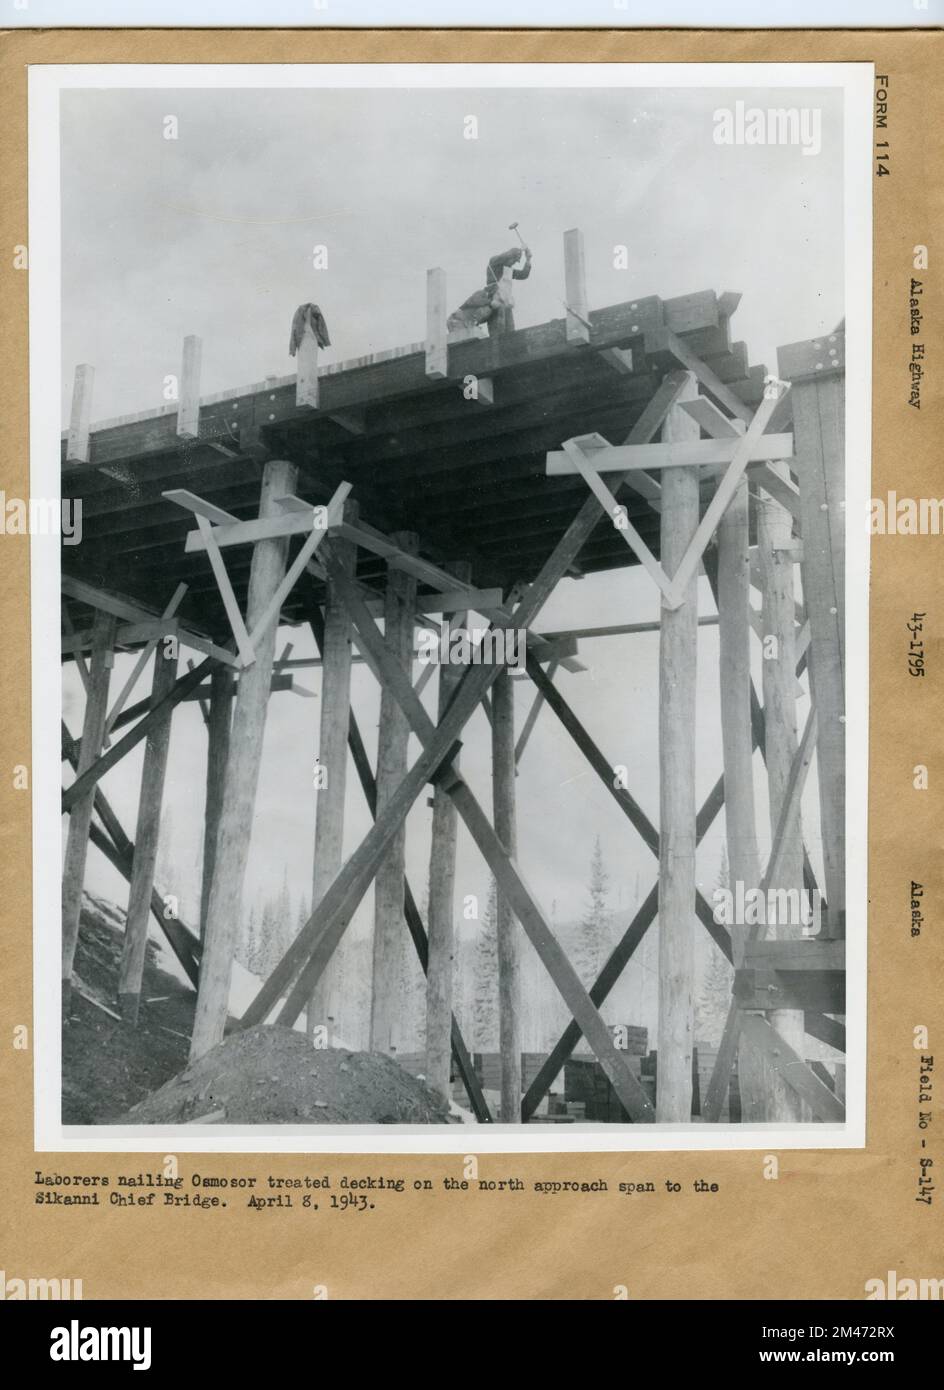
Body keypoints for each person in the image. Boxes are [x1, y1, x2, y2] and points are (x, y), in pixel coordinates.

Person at [447, 244, 533, 337]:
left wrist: (528, 260)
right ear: (509, 256)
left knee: (510, 330)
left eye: (516, 262)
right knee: (499, 329)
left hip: (506, 300)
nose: (513, 263)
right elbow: (503, 257)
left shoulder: (509, 270)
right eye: (514, 260)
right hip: (495, 297)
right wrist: (520, 250)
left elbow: (523, 275)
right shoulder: (494, 263)